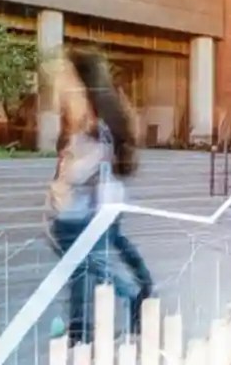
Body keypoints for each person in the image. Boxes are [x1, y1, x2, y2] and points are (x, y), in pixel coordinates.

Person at [44, 51, 150, 346]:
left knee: (87, 267)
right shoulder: (94, 114)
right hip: (89, 208)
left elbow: (83, 170)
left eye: (67, 75)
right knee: (85, 268)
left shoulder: (92, 122)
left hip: (84, 210)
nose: (62, 82)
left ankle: (130, 294)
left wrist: (63, 178)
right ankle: (83, 329)